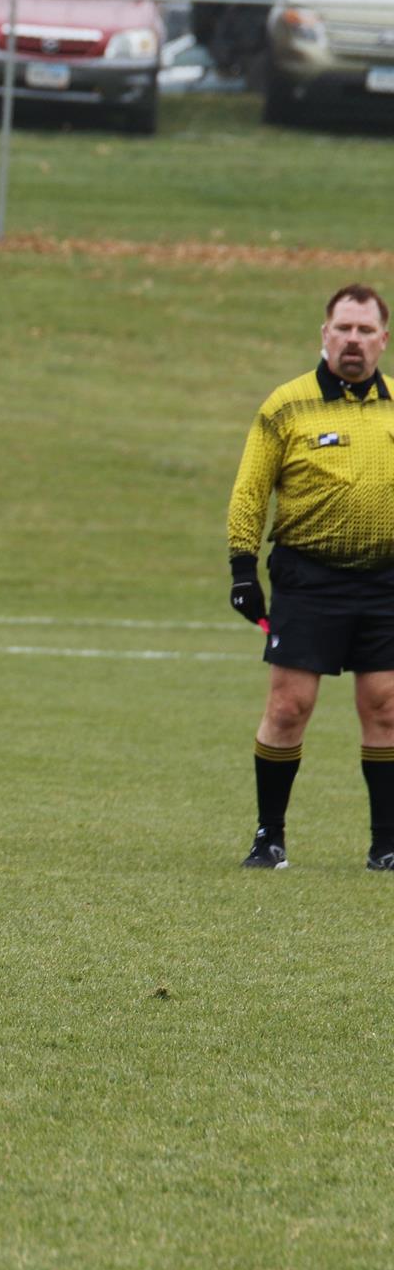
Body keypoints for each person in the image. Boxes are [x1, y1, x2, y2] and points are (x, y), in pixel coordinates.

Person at [226, 284, 394, 869]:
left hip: (385, 582)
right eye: (343, 329)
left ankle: (386, 846)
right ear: (324, 334)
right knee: (289, 706)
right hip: (308, 577)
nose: (353, 341)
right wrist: (242, 568)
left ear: (383, 339)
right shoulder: (286, 405)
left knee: (387, 706)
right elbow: (251, 488)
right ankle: (269, 837)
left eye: (365, 331)